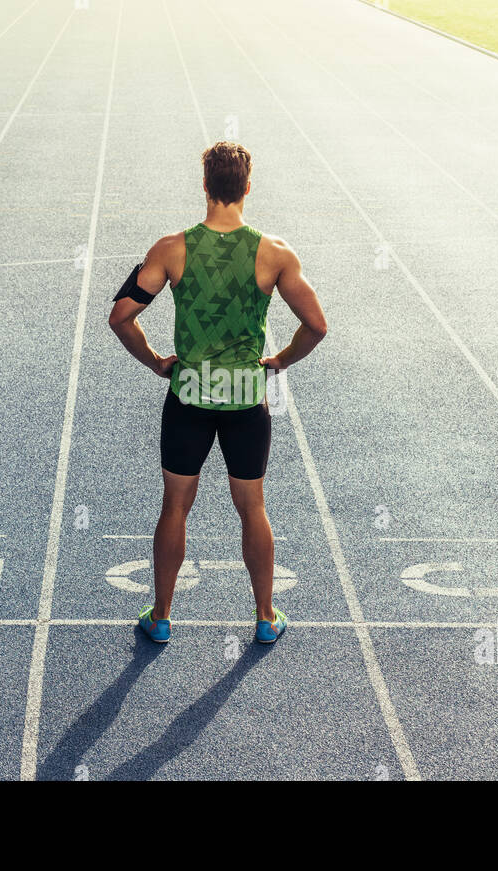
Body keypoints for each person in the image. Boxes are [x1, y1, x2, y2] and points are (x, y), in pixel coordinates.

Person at [108, 141, 327, 645]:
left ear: (204, 186)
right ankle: (266, 617)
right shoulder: (275, 254)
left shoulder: (171, 249)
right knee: (253, 508)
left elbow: (121, 316)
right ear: (247, 187)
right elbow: (315, 325)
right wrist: (279, 362)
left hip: (188, 397)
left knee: (175, 507)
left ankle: (161, 615)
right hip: (246, 401)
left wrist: (157, 361)